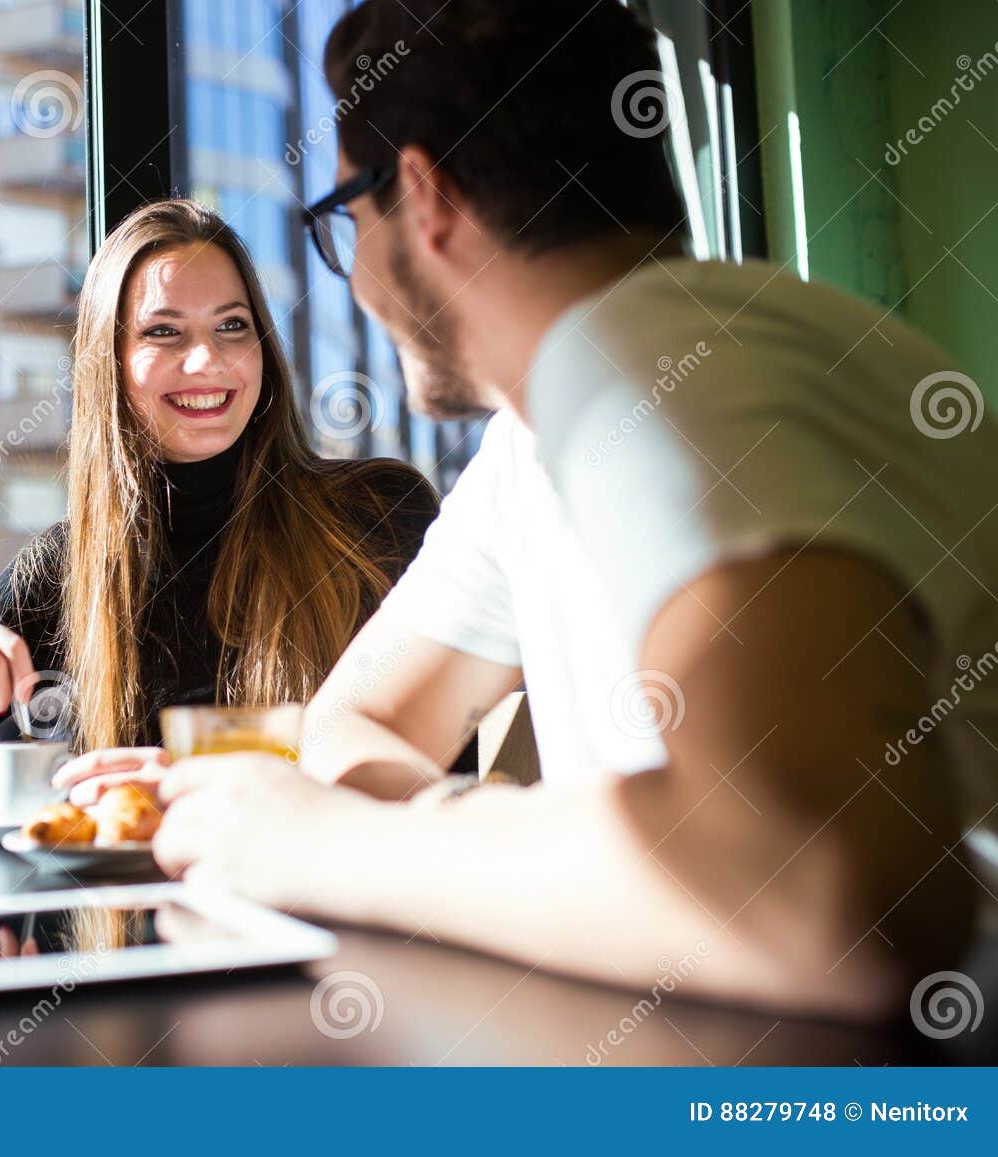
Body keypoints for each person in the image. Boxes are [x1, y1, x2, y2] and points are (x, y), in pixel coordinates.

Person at [145, 0, 998, 1019]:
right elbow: (357, 719)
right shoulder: (539, 433)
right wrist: (477, 839)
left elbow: (824, 895)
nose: (359, 277)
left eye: (344, 218)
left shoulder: (653, 363)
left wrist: (316, 842)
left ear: (425, 198)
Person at [0, 199, 438, 809]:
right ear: (109, 363)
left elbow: (433, 757)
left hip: (328, 896)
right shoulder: (65, 568)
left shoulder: (377, 511)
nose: (207, 361)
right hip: (131, 908)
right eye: (163, 332)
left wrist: (190, 782)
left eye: (232, 325)